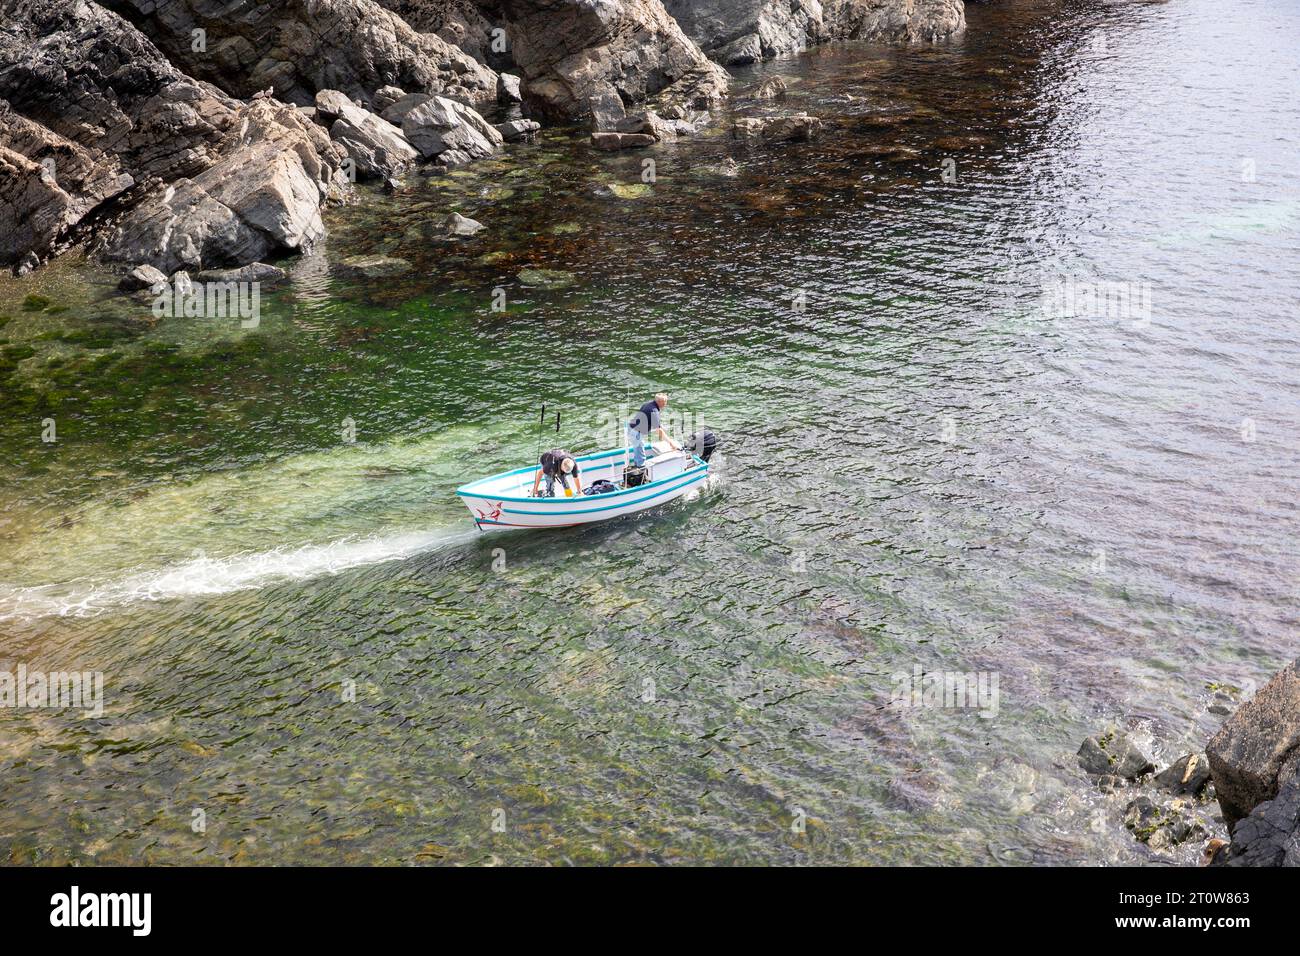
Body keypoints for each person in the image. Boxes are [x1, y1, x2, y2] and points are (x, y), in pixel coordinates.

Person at [626, 392, 677, 468]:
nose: (666, 404)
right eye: (665, 402)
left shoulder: (648, 404)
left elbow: (649, 419)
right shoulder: (654, 411)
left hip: (631, 428)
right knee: (641, 456)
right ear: (660, 402)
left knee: (637, 450)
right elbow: (658, 430)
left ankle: (636, 464)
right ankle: (641, 471)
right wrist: (671, 443)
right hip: (636, 432)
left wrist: (660, 427)